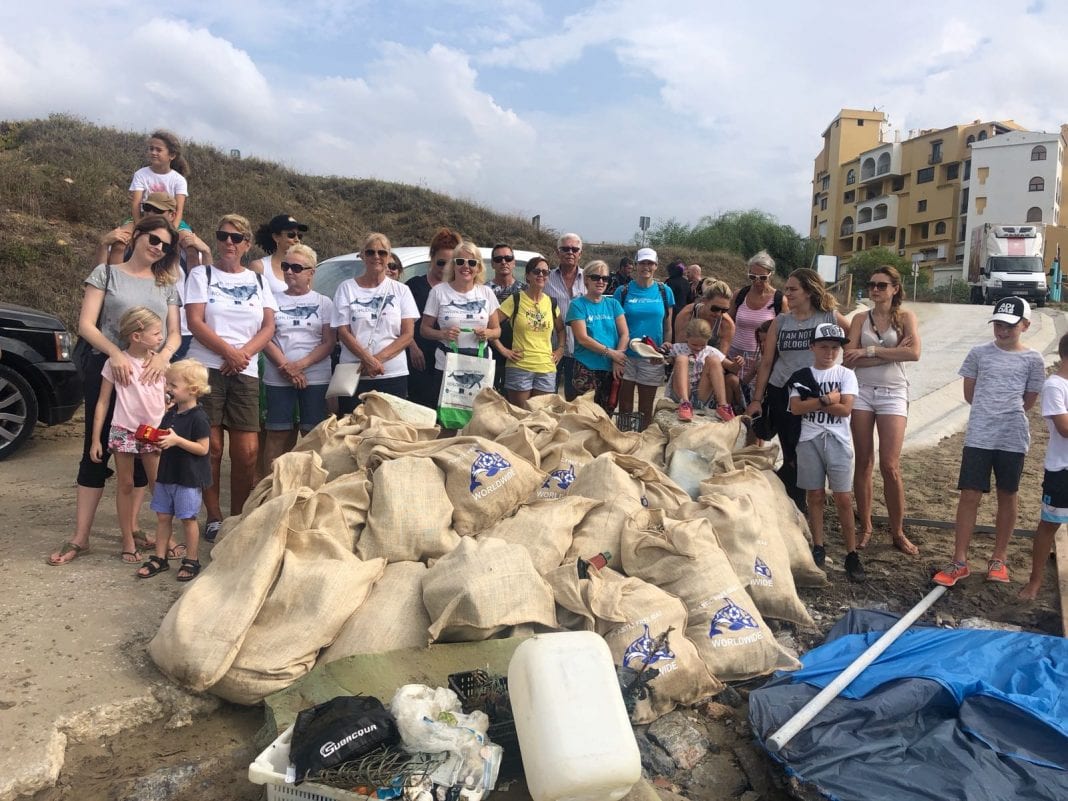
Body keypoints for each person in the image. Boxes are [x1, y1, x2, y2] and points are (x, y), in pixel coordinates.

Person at [48, 217, 182, 566]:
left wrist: (164, 357)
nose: (158, 247)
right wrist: (116, 353)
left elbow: (174, 333)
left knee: (144, 449)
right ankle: (81, 536)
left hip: (150, 375)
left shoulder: (166, 282)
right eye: (154, 239)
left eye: (166, 245)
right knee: (97, 448)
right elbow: (86, 325)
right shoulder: (106, 274)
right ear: (137, 235)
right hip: (108, 368)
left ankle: (133, 528)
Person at [933, 297, 1045, 587]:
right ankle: (959, 560)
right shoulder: (978, 353)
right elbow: (970, 394)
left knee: (1007, 494)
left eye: (1009, 325)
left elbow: (1029, 401)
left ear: (1025, 325)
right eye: (998, 324)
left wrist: (1005, 413)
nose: (1002, 330)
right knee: (969, 494)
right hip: (979, 435)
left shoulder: (1033, 359)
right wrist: (988, 413)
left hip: (1012, 437)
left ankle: (999, 557)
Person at [185, 214, 277, 542]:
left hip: (245, 370)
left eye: (236, 238)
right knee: (210, 448)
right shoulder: (201, 274)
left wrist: (242, 355)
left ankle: (237, 516)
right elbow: (195, 321)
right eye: (223, 236)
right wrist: (228, 351)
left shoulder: (259, 281)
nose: (229, 242)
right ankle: (214, 516)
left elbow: (268, 327)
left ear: (247, 245)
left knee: (247, 451)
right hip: (207, 368)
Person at [746, 268, 849, 512]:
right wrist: (757, 399)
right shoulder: (781, 321)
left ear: (809, 291)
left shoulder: (829, 318)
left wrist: (843, 377)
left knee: (810, 451)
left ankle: (801, 503)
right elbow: (768, 361)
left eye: (793, 289)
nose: (787, 293)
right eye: (787, 289)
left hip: (815, 394)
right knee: (791, 451)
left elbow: (853, 341)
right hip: (782, 391)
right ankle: (795, 505)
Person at [843, 266, 921, 555]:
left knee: (890, 464)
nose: (875, 290)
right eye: (872, 284)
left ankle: (897, 531)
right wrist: (889, 353)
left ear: (895, 289)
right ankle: (866, 527)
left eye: (882, 285)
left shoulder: (905, 318)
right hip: (862, 391)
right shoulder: (860, 318)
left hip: (893, 393)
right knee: (863, 461)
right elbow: (849, 359)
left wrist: (870, 351)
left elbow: (913, 354)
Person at [89, 307, 167, 563]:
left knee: (159, 486)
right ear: (136, 336)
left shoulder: (161, 363)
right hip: (124, 430)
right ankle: (127, 539)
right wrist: (95, 439)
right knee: (125, 484)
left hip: (153, 432)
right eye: (156, 333)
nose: (161, 337)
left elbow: (171, 395)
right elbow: (102, 402)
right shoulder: (115, 363)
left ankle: (166, 536)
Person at [788, 322, 864, 582]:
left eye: (834, 347)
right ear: (812, 347)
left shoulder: (846, 375)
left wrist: (816, 404)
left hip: (838, 440)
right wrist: (825, 400)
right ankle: (818, 545)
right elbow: (796, 408)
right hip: (809, 439)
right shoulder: (801, 374)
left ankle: (851, 552)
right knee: (815, 495)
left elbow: (846, 409)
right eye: (824, 347)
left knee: (844, 497)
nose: (829, 352)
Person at [136, 359, 212, 582]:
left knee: (188, 518)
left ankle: (192, 558)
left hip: (188, 478)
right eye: (168, 384)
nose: (168, 389)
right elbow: (164, 436)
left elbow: (203, 448)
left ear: (193, 389)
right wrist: (153, 440)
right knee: (163, 517)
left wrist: (177, 441)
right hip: (167, 476)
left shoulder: (199, 417)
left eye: (173, 385)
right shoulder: (170, 414)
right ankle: (160, 557)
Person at [262, 244, 335, 466]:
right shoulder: (271, 300)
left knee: (312, 434)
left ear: (311, 272)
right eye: (285, 266)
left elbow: (328, 342)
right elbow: (266, 338)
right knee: (276, 433)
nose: (289, 272)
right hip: (278, 375)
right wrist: (287, 367)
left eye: (296, 267)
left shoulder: (324, 302)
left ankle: (309, 485)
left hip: (316, 376)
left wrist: (300, 365)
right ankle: (269, 488)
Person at [332, 232, 418, 410]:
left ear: (389, 257)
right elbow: (343, 331)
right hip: (354, 373)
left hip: (392, 374)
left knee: (389, 431)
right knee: (352, 430)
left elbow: (408, 334)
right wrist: (366, 360)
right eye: (370, 252)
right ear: (362, 255)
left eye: (382, 253)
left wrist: (375, 361)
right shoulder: (346, 288)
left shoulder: (401, 291)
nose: (376, 257)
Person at [422, 240, 501, 412]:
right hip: (448, 363)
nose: (466, 266)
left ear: (478, 267)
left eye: (472, 262)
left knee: (479, 417)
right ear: (453, 265)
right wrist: (442, 334)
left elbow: (497, 331)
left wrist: (487, 333)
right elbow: (424, 329)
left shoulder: (486, 292)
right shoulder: (438, 292)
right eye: (460, 261)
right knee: (447, 418)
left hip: (478, 363)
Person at [1019, 333, 1068, 600]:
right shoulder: (1055, 386)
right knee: (1049, 525)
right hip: (1062, 470)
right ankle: (1035, 581)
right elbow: (1064, 428)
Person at [614, 247, 674, 431]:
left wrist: (667, 343)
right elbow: (615, 325)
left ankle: (642, 441)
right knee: (624, 407)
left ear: (656, 266)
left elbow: (668, 323)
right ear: (635, 265)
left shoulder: (664, 291)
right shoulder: (622, 291)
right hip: (626, 356)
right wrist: (616, 357)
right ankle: (624, 440)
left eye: (650, 263)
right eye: (642, 263)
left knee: (645, 408)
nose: (646, 267)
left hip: (652, 356)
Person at [495, 256, 564, 408]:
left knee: (540, 418)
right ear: (527, 275)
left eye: (545, 272)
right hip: (520, 366)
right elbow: (491, 325)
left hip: (546, 368)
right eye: (536, 271)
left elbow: (561, 330)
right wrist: (503, 350)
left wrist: (560, 349)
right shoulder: (516, 300)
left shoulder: (551, 303)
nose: (541, 275)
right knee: (521, 416)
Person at [407, 228, 459, 408]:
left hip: (449, 359)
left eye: (451, 263)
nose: (445, 268)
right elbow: (401, 322)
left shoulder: (459, 289)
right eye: (441, 262)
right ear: (432, 258)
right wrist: (412, 347)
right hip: (419, 356)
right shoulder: (414, 286)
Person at [729, 250, 786, 408]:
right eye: (752, 277)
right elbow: (727, 322)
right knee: (732, 403)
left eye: (762, 277)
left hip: (761, 360)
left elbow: (785, 333)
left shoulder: (779, 300)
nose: (757, 281)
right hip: (735, 357)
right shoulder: (740, 295)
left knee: (754, 404)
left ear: (771, 275)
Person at [125, 131, 189, 241]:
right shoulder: (140, 174)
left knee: (191, 248)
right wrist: (139, 224)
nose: (153, 152)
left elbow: (179, 210)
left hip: (170, 220)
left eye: (158, 150)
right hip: (143, 217)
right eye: (151, 149)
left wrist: (172, 229)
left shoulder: (179, 180)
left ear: (172, 155)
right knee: (120, 241)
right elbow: (136, 203)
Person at [668, 318, 734, 423]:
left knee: (714, 359)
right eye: (694, 344)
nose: (698, 348)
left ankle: (722, 405)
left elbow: (732, 367)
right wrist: (664, 350)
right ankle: (685, 403)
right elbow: (662, 359)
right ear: (687, 337)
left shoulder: (710, 350)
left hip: (701, 394)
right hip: (682, 392)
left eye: (702, 345)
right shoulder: (677, 348)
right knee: (681, 358)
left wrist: (737, 363)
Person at [546, 232, 586, 400]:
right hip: (551, 348)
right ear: (558, 252)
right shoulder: (545, 278)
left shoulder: (590, 279)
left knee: (575, 400)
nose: (570, 252)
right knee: (547, 398)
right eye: (565, 249)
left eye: (574, 249)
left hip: (580, 350)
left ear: (580, 253)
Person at [488, 242, 526, 391]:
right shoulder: (483, 291)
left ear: (514, 262)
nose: (504, 262)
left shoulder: (526, 291)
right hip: (490, 355)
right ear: (492, 264)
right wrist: (502, 349)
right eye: (498, 259)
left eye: (508, 258)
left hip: (519, 357)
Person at [252, 214, 309, 297]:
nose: (297, 239)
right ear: (276, 237)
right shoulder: (260, 267)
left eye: (299, 236)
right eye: (291, 235)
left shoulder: (306, 268)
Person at [665, 260, 693, 333]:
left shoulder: (669, 282)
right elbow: (690, 299)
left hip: (670, 313)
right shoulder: (686, 282)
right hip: (684, 312)